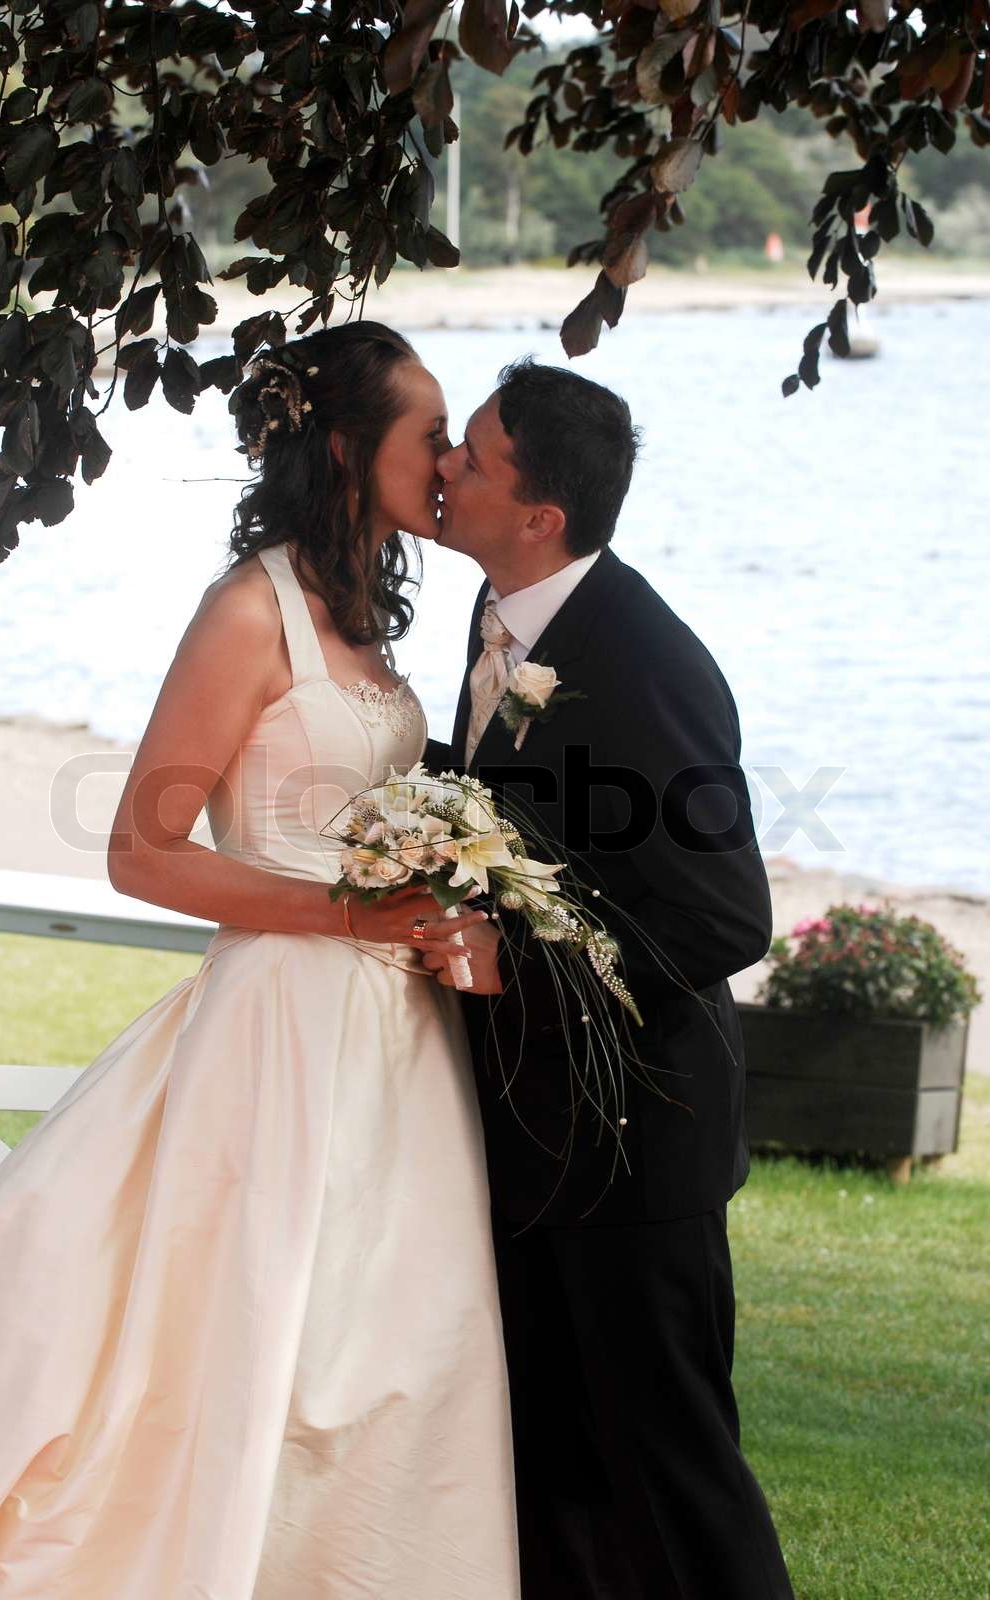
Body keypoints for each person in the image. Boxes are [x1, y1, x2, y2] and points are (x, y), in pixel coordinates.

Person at [0, 323, 519, 1600]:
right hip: (283, 1031)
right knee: (258, 1340)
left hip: (399, 1042)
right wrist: (350, 920)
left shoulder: (366, 618)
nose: (450, 458)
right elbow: (142, 853)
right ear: (352, 447)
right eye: (431, 434)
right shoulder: (249, 611)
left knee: (396, 1345)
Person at [421, 358, 795, 1600]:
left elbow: (724, 914)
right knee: (557, 1478)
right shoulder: (502, 622)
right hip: (534, 1134)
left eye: (469, 456)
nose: (444, 469)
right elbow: (537, 825)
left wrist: (511, 957)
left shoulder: (640, 658)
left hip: (639, 1140)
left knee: (674, 1477)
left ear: (541, 515)